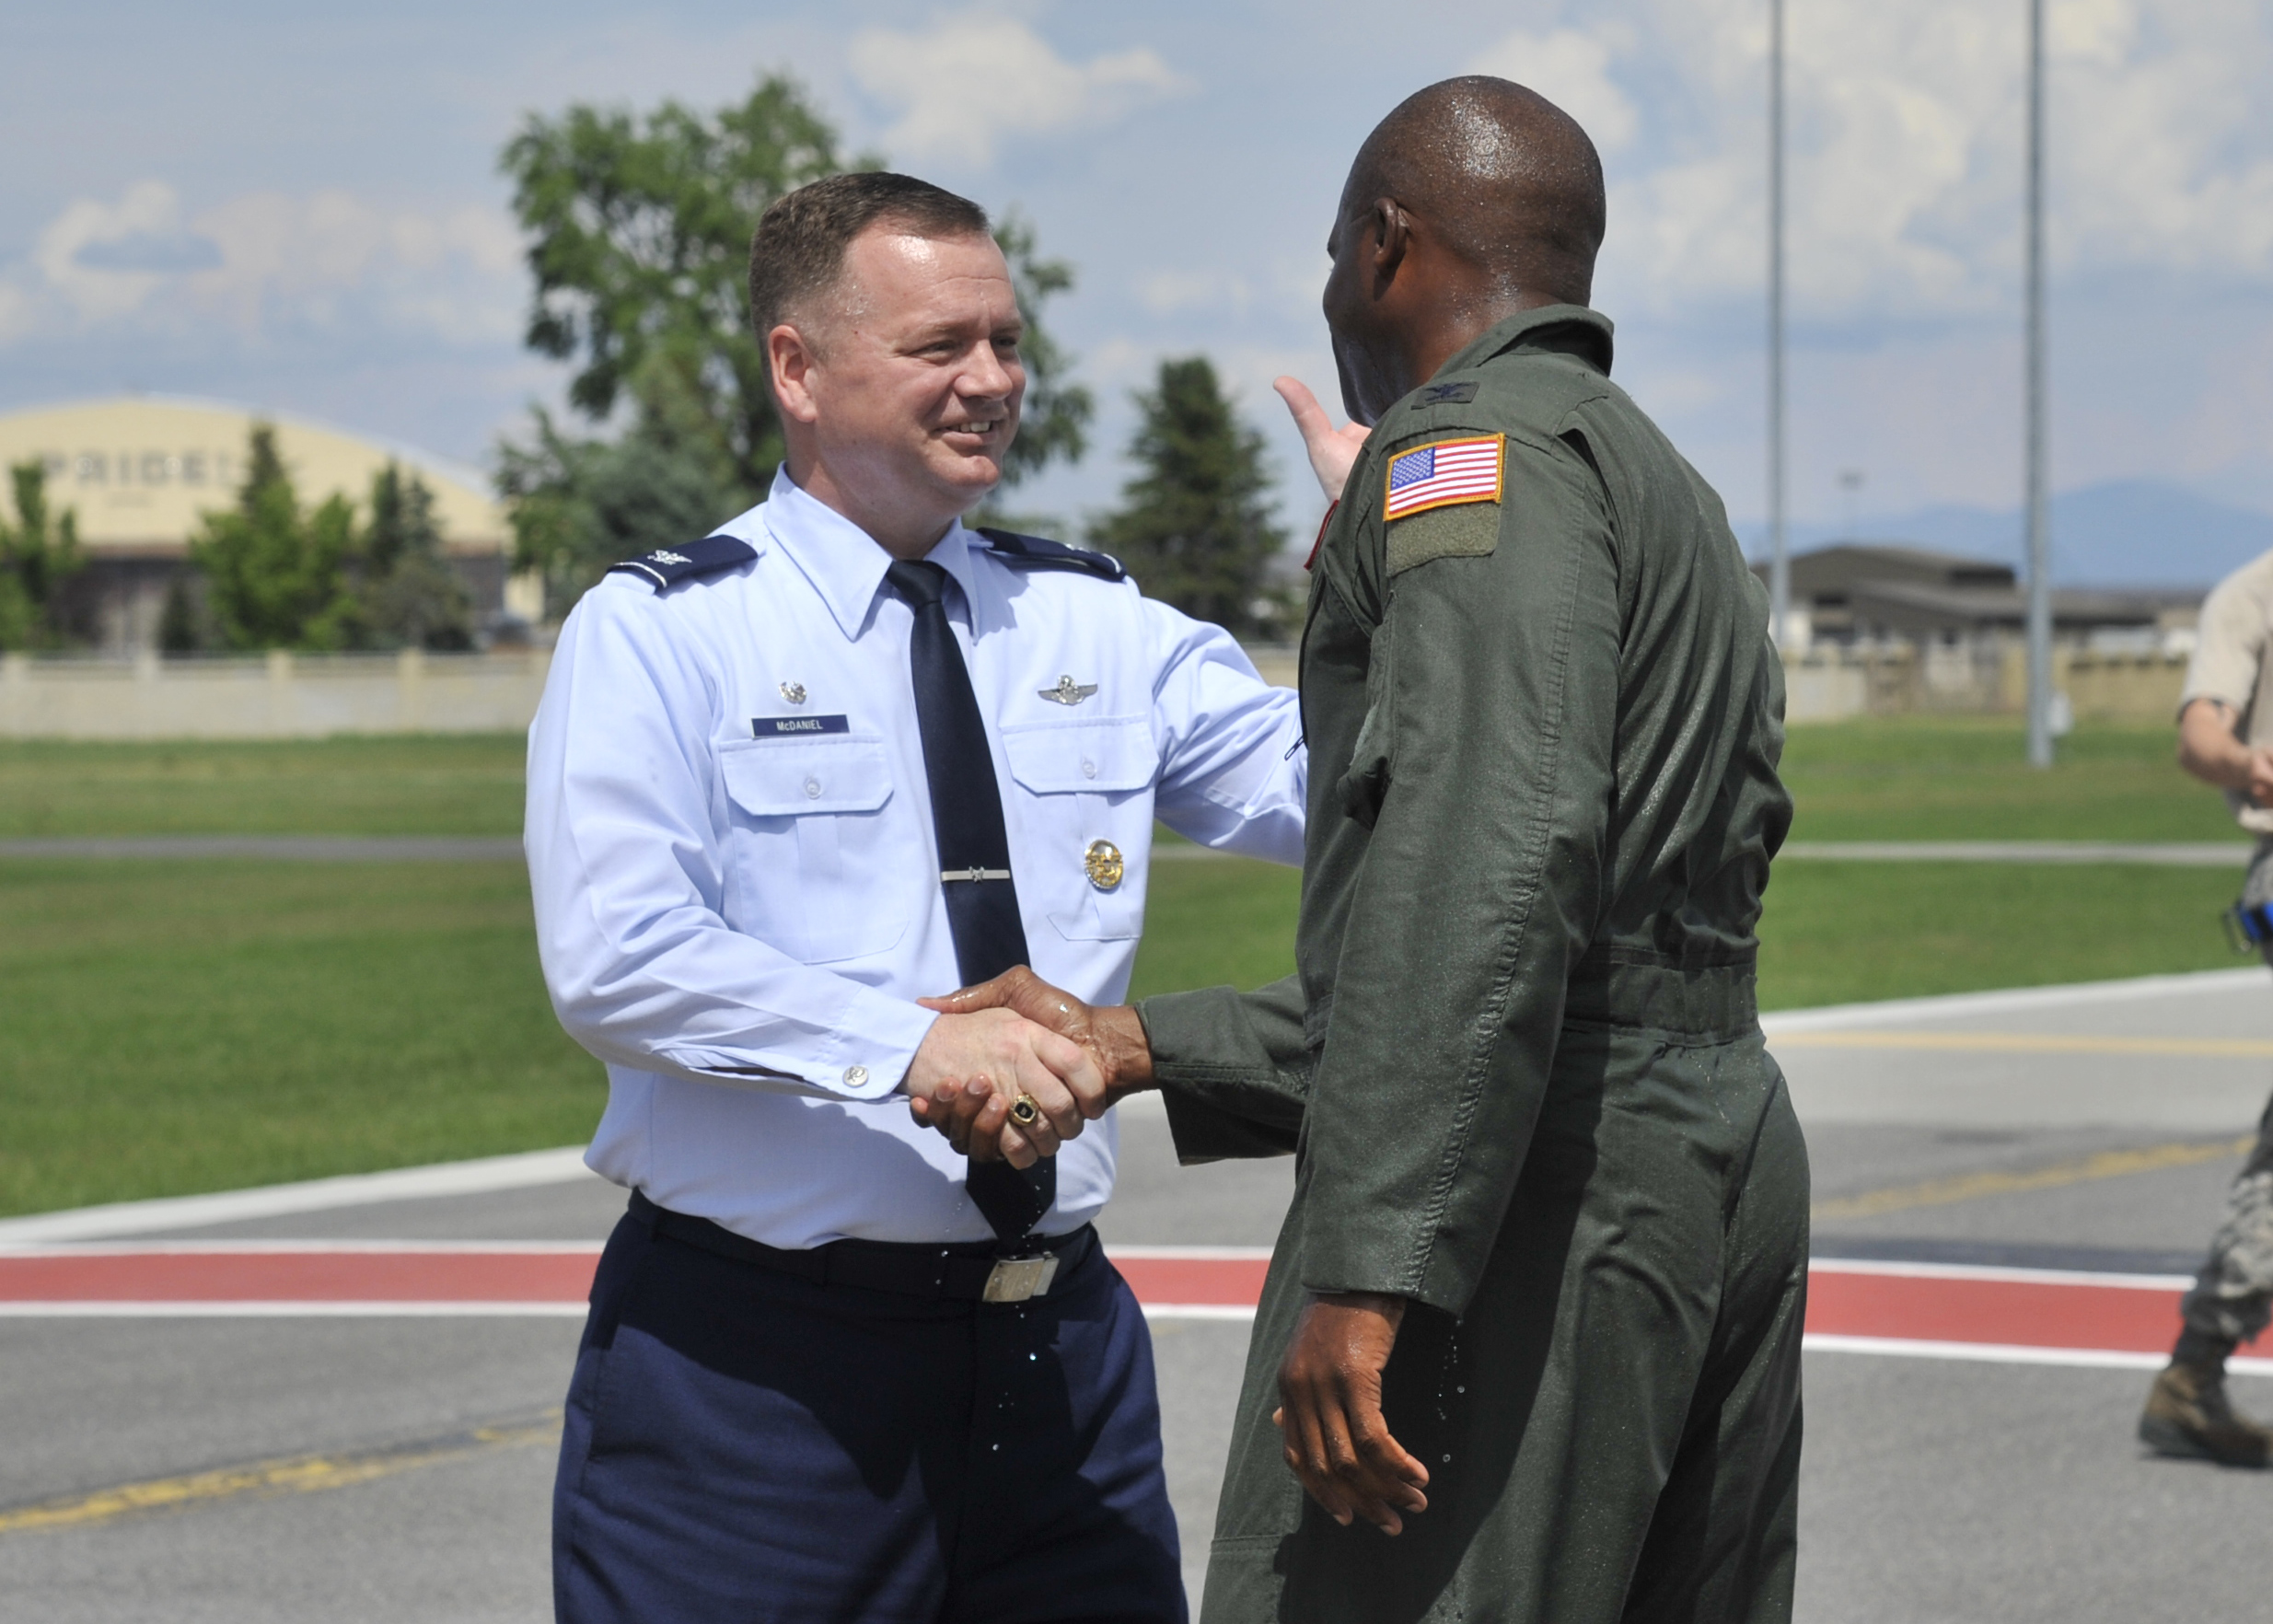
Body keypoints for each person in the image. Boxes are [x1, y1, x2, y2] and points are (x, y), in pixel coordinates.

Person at [923, 77, 1805, 1622]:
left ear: (1388, 245)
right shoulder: (1650, 472)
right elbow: (1560, 948)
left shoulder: (1467, 460)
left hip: (1533, 1197)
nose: (1327, 288)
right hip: (1685, 1152)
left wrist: (1376, 1263)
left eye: (1334, 250)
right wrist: (1140, 1041)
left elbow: (1489, 880)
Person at [525, 170, 1306, 1623]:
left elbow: (1347, 796)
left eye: (1006, 342)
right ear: (797, 367)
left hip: (1057, 1364)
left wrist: (1411, 586)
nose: (993, 381)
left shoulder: (1092, 619)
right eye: (942, 345)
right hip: (755, 1388)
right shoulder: (663, 631)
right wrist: (911, 1046)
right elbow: (617, 956)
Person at [2138, 552, 2273, 1467]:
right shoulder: (2255, 592)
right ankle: (2196, 1364)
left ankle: (2194, 1367)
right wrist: (2249, 762)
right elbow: (2199, 736)